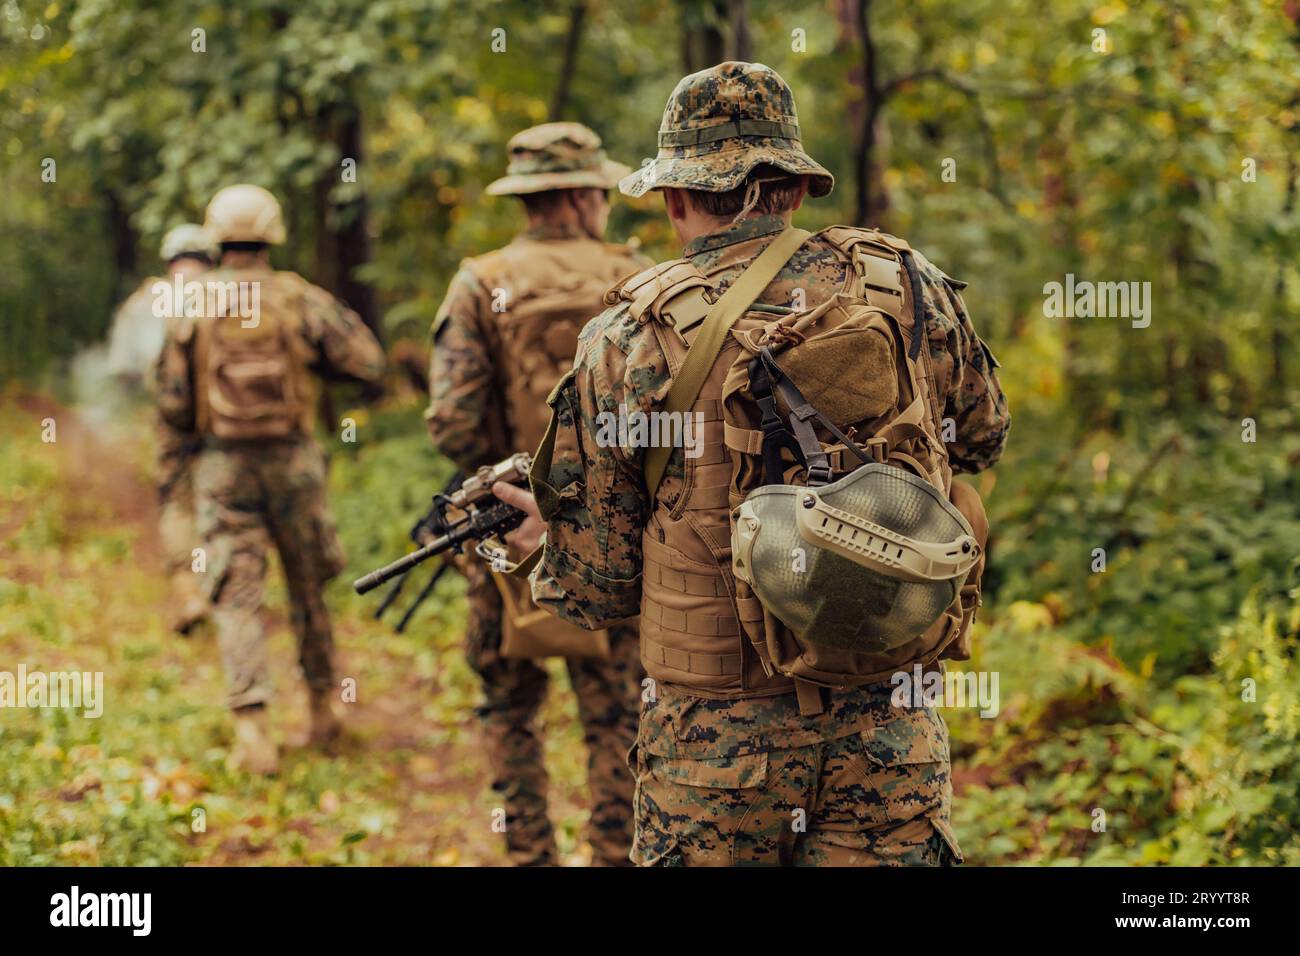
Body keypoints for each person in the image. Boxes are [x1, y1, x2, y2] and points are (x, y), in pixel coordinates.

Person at [492, 62, 1011, 866]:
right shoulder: (907, 285)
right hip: (889, 733)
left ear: (673, 197)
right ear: (796, 188)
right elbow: (978, 440)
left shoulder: (628, 336)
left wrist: (543, 536)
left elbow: (597, 588)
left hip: (714, 756)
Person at [425, 123, 649, 865]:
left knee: (508, 703)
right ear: (584, 195)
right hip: (617, 530)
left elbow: (453, 424)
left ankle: (528, 851)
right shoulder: (636, 278)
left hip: (503, 523)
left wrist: (506, 472)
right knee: (617, 711)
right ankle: (616, 849)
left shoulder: (478, 282)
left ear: (528, 199)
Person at [155, 184, 386, 774]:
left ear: (216, 236)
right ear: (272, 234)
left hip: (224, 466)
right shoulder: (298, 298)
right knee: (308, 588)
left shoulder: (190, 304)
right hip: (294, 463)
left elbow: (174, 403)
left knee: (236, 594)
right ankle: (323, 710)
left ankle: (254, 732)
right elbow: (367, 362)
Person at [108, 224, 218, 634]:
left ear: (169, 259)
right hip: (223, 421)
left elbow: (123, 368)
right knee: (219, 498)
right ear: (210, 257)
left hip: (173, 422)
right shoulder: (226, 293)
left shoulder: (146, 300)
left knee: (176, 501)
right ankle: (219, 583)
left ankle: (188, 590)